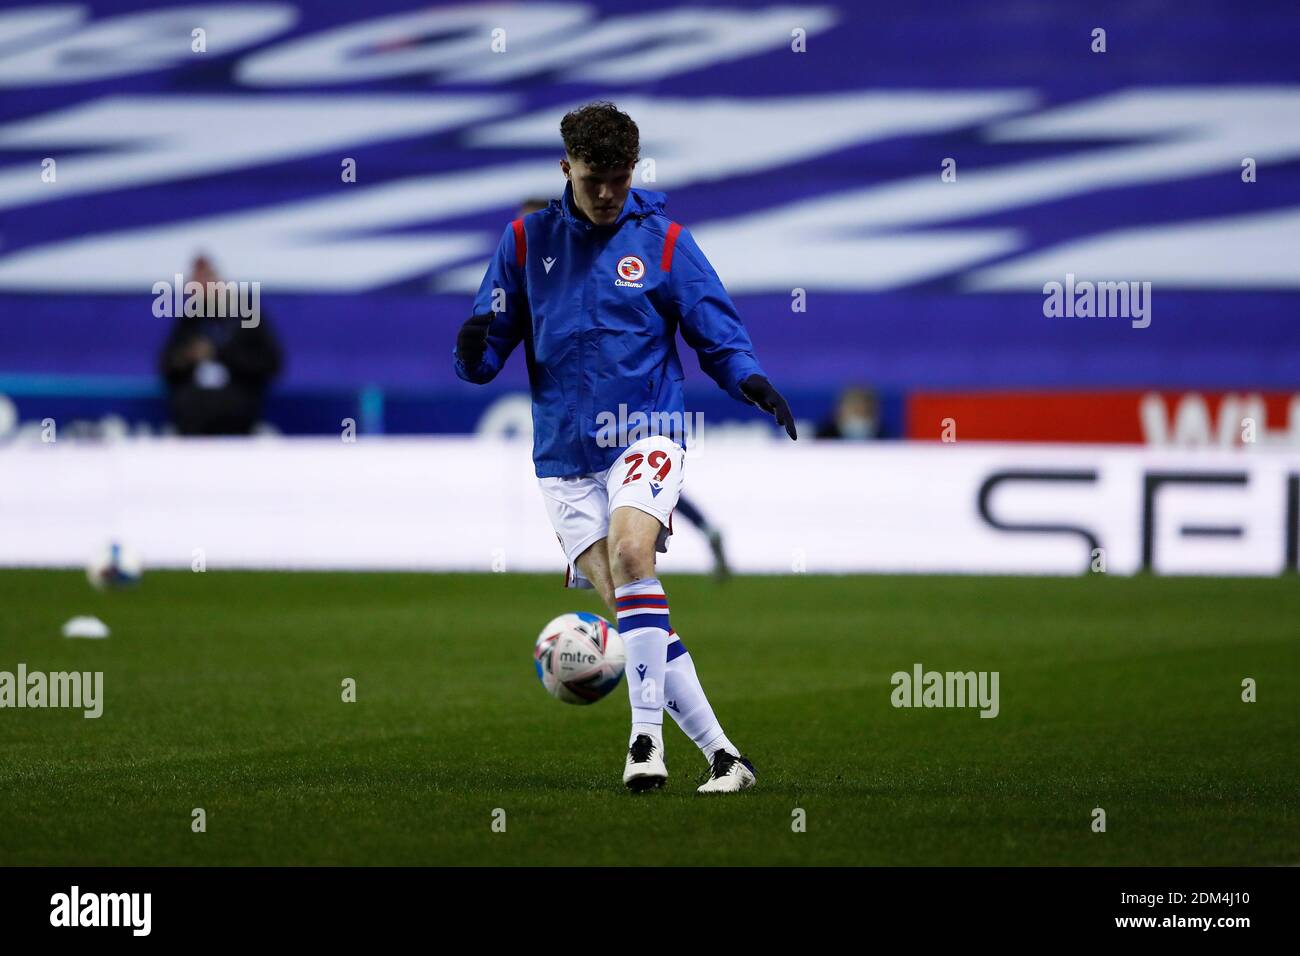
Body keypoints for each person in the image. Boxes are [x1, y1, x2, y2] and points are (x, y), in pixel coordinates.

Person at [458, 102, 796, 793]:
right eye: (593, 179)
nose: (608, 192)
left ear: (634, 169)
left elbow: (714, 328)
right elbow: (489, 347)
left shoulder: (667, 243)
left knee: (633, 553)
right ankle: (726, 758)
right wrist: (471, 350)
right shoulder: (525, 243)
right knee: (632, 611)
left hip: (645, 433)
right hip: (562, 458)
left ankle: (644, 744)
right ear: (566, 169)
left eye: (619, 176)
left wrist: (749, 379)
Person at [518, 197, 733, 582]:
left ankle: (618, 563)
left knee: (633, 492)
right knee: (634, 493)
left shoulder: (591, 264)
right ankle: (689, 537)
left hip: (623, 409)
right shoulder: (534, 272)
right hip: (580, 420)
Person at [159, 255, 282, 435]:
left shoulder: (245, 316)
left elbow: (270, 363)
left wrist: (219, 353)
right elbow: (167, 364)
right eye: (196, 283)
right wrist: (187, 357)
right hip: (193, 413)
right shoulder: (190, 320)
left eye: (207, 280)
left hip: (237, 409)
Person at [816, 386, 881, 440]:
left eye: (863, 412)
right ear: (840, 412)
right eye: (854, 410)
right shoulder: (822, 440)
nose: (857, 418)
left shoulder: (884, 440)